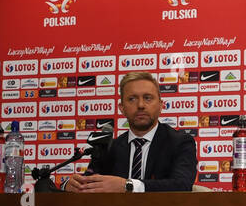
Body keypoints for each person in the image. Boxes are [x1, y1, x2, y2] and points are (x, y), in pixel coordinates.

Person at [64, 71, 197, 192]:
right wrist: (71, 186)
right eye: (132, 99)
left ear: (161, 105)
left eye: (148, 98)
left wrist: (128, 185)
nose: (140, 105)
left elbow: (182, 185)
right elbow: (90, 182)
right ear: (122, 108)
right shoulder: (110, 148)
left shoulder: (180, 142)